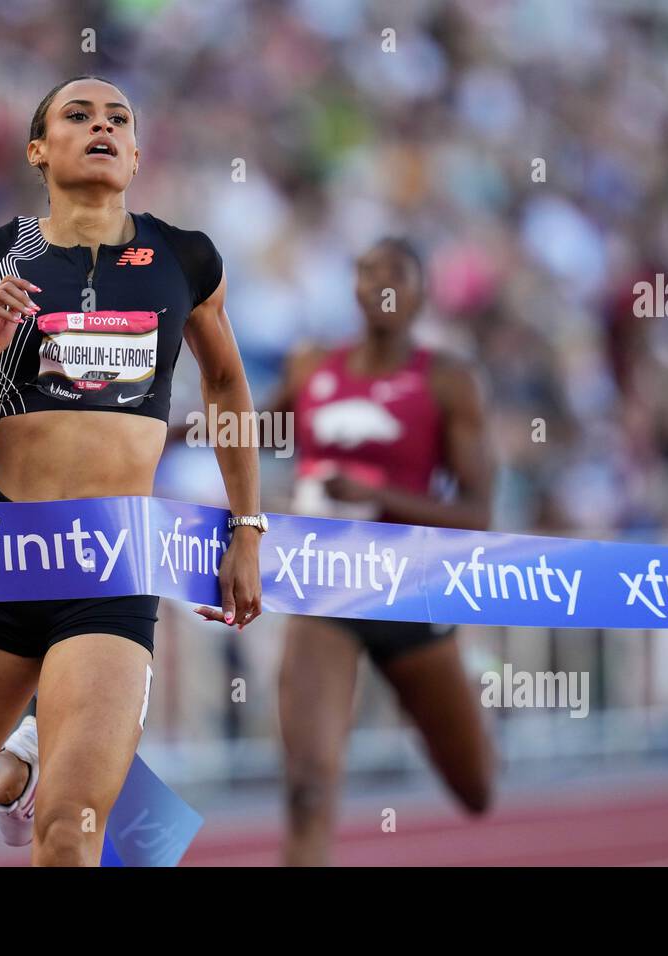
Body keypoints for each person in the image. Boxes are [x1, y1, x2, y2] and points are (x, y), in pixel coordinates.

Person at [0, 75, 264, 866]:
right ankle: (16, 776)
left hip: (111, 563)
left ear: (135, 153)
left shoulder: (184, 258)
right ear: (38, 149)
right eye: (78, 115)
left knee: (71, 829)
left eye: (119, 118)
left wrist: (248, 525)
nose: (103, 126)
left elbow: (226, 382)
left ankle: (44, 791)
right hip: (4, 558)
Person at [266, 236, 498, 866]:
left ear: (423, 292)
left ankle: (460, 684)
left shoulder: (448, 381)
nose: (380, 286)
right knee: (308, 786)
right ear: (354, 288)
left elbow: (476, 514)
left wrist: (377, 492)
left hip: (408, 592)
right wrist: (145, 432)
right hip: (326, 590)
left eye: (395, 274)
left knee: (476, 789)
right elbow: (251, 429)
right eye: (367, 273)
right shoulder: (312, 367)